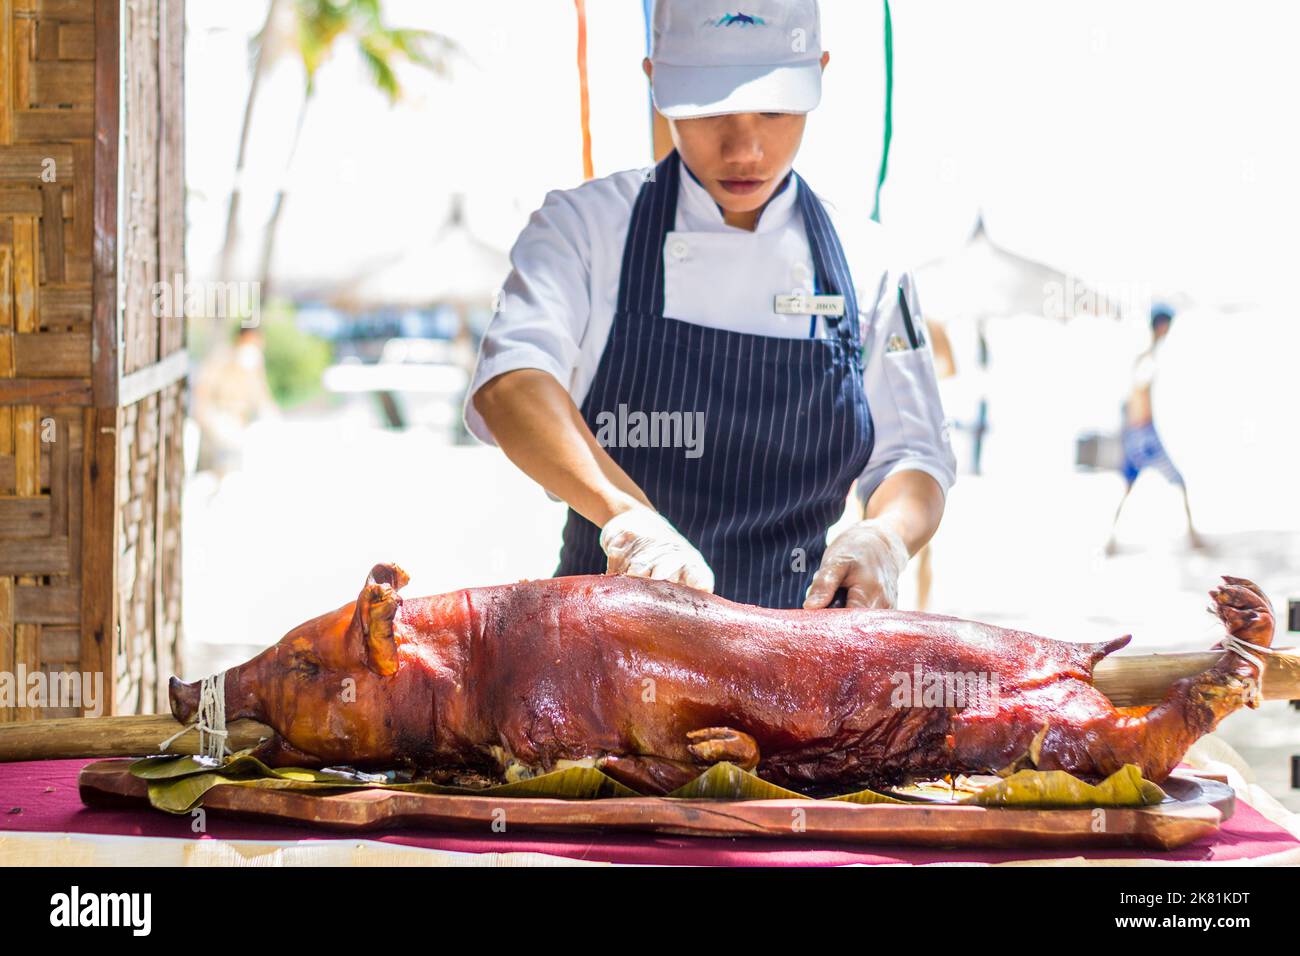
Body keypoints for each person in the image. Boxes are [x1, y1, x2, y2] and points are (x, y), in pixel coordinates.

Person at [466, 0, 956, 609]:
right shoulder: (583, 227)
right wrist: (628, 521)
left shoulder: (871, 262)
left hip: (790, 657)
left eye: (775, 109)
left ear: (820, 74)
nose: (744, 148)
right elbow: (510, 384)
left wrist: (886, 536)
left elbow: (915, 455)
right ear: (655, 80)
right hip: (606, 655)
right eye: (710, 108)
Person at [1104, 304, 1203, 555]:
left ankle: (1110, 540)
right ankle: (1192, 538)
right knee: (1177, 481)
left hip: (1137, 434)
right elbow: (1137, 394)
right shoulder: (1148, 357)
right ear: (1162, 326)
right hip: (1144, 435)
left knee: (1130, 486)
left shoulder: (1147, 355)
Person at [193, 324, 279, 479]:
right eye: (251, 342)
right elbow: (203, 391)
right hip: (217, 423)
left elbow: (261, 396)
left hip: (238, 424)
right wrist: (207, 419)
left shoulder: (254, 365)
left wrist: (273, 416)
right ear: (241, 339)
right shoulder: (221, 358)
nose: (254, 347)